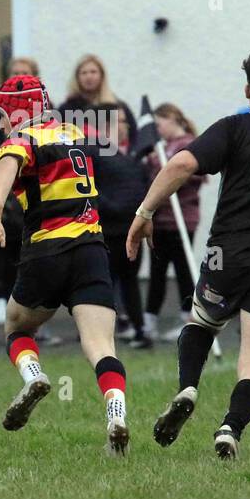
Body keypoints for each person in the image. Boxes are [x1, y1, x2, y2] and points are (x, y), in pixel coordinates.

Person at [127, 47, 250, 459]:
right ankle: (230, 429)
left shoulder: (234, 127)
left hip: (227, 252)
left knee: (202, 324)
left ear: (248, 89)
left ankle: (188, 386)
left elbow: (179, 165)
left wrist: (144, 212)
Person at [0, 75, 130, 454]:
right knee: (101, 345)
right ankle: (117, 413)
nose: (1, 124)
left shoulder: (21, 138)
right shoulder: (74, 133)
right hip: (92, 251)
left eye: (2, 116)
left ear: (16, 112)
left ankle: (33, 377)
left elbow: (10, 159)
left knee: (16, 326)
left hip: (46, 251)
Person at [92, 107, 151, 348]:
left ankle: (139, 329)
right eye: (118, 123)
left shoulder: (135, 158)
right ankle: (100, 335)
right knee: (103, 283)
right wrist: (111, 207)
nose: (124, 127)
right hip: (107, 230)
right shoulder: (95, 153)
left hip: (131, 230)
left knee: (130, 282)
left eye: (126, 122)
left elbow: (145, 189)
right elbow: (90, 187)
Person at [143, 103, 201, 341]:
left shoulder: (188, 144)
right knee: (157, 271)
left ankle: (188, 317)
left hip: (182, 221)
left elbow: (181, 172)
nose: (157, 130)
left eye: (159, 124)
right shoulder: (163, 147)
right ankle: (149, 320)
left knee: (182, 269)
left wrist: (157, 162)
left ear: (172, 119)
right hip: (161, 221)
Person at [60, 54, 137, 147]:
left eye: (93, 72)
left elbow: (134, 137)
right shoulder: (66, 109)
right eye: (84, 73)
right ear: (77, 78)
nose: (89, 77)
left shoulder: (117, 107)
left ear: (102, 75)